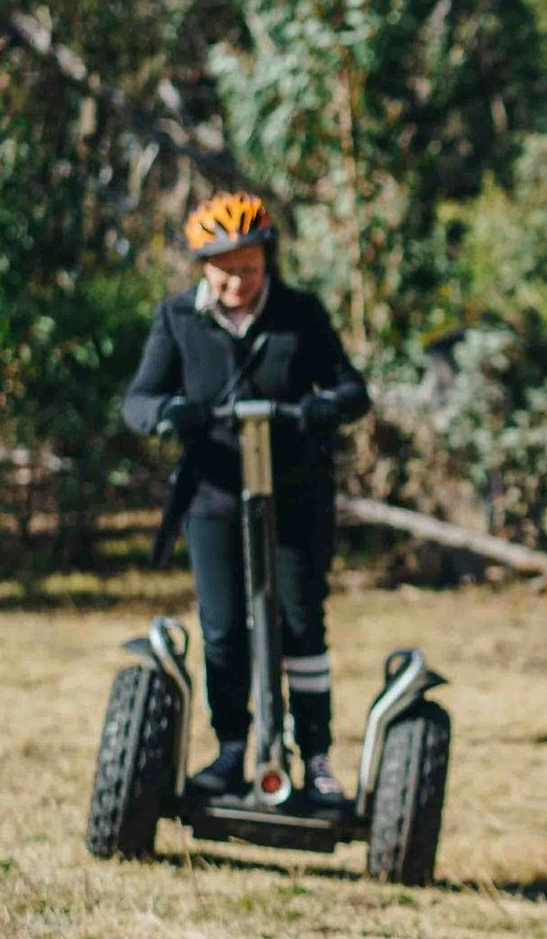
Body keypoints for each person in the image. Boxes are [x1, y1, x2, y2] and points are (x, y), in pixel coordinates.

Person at [123, 191, 371, 802]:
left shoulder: (300, 314)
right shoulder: (178, 318)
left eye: (251, 268)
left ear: (267, 261)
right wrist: (168, 412)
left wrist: (323, 407)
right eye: (226, 269)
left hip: (294, 494)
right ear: (204, 265)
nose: (239, 281)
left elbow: (352, 389)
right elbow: (138, 399)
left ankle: (314, 760)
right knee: (224, 629)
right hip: (213, 494)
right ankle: (231, 748)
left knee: (299, 622)